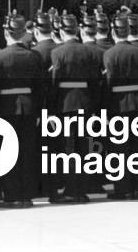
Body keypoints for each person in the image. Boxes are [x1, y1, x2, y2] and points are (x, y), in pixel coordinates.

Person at [48, 12, 103, 203]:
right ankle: (81, 188)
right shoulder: (89, 51)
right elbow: (96, 82)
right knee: (84, 147)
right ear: (77, 30)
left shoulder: (57, 53)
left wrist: (52, 108)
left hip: (65, 105)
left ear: (62, 32)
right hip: (86, 103)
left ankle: (70, 188)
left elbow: (54, 83)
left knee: (67, 149)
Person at [0, 13, 44, 208]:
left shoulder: (0, 56)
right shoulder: (34, 56)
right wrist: (38, 111)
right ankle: (26, 195)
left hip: (7, 107)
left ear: (7, 33)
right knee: (27, 151)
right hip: (29, 107)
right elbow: (40, 88)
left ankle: (11, 195)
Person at [101, 12, 138, 200]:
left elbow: (107, 84)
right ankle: (136, 186)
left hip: (117, 105)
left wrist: (104, 109)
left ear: (114, 33)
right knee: (136, 146)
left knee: (119, 149)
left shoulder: (109, 54)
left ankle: (123, 188)